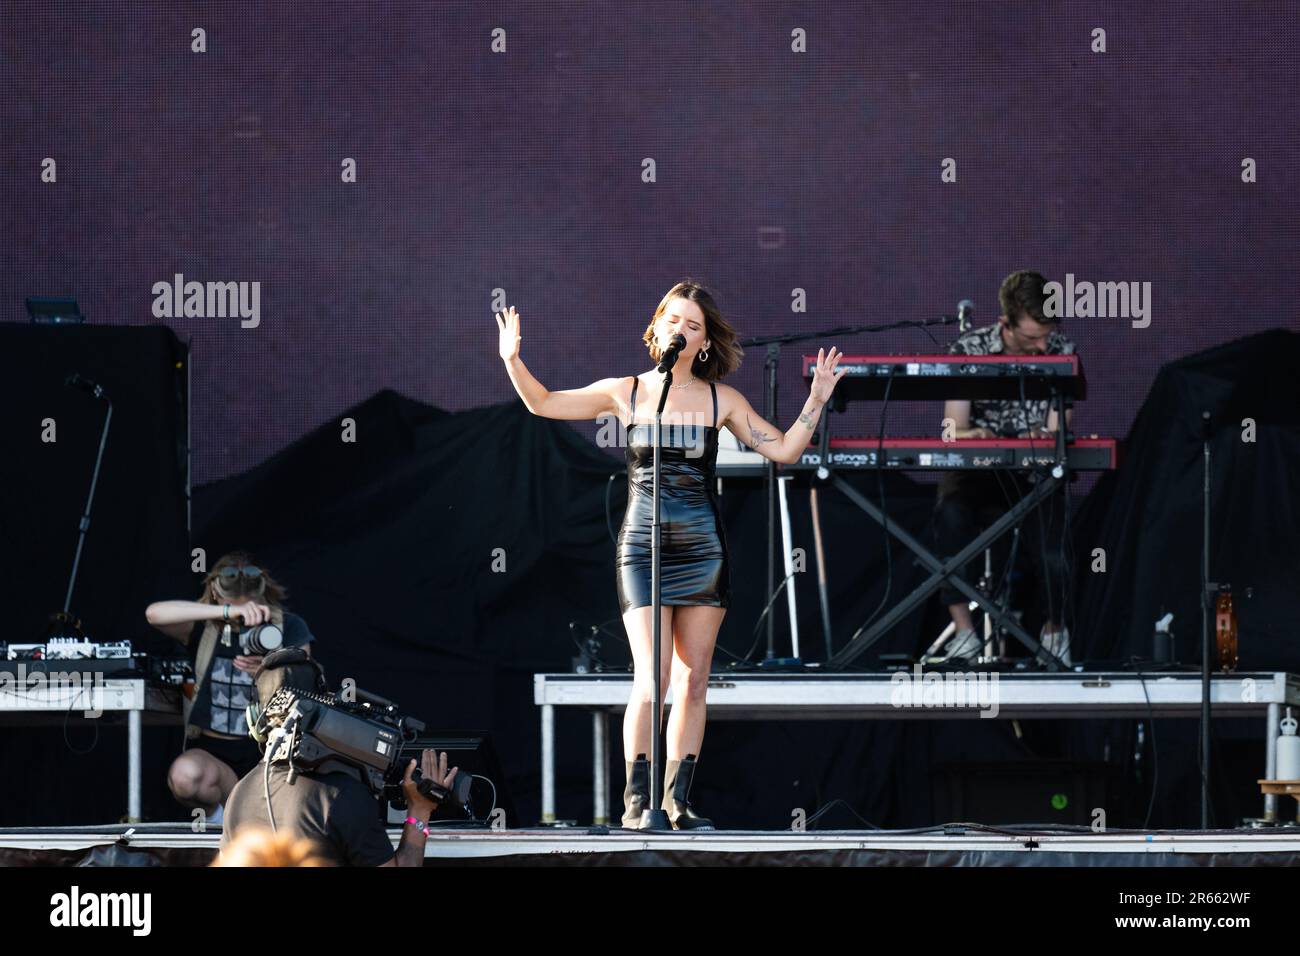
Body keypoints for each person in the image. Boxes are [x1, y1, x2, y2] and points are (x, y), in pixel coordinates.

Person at [498, 278, 845, 829]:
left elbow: (783, 449)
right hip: (643, 545)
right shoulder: (629, 390)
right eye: (673, 320)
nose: (681, 330)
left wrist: (816, 401)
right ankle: (639, 803)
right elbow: (543, 404)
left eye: (693, 325)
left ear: (704, 342)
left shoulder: (719, 399)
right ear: (656, 327)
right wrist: (514, 360)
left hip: (702, 545)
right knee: (651, 676)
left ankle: (676, 800)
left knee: (694, 677)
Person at [935, 270, 1075, 665]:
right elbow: (950, 430)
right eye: (1032, 338)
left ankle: (1054, 633)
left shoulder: (1062, 350)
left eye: (1047, 335)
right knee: (951, 515)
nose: (1042, 345)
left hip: (1032, 477)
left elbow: (1058, 433)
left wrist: (1040, 437)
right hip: (977, 473)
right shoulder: (970, 348)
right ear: (1004, 324)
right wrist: (975, 436)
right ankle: (964, 633)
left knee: (1054, 545)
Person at [219, 648, 457, 867]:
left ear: (256, 721)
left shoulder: (238, 795)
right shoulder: (342, 796)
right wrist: (420, 810)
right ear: (328, 707)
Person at [145, 552, 316, 823]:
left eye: (248, 603)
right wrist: (225, 612)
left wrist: (272, 669)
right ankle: (219, 821)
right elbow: (154, 614)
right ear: (215, 591)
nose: (243, 611)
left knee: (295, 804)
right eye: (234, 603)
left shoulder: (288, 625)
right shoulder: (205, 627)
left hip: (269, 753)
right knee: (185, 775)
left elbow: (310, 684)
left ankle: (246, 822)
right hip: (213, 750)